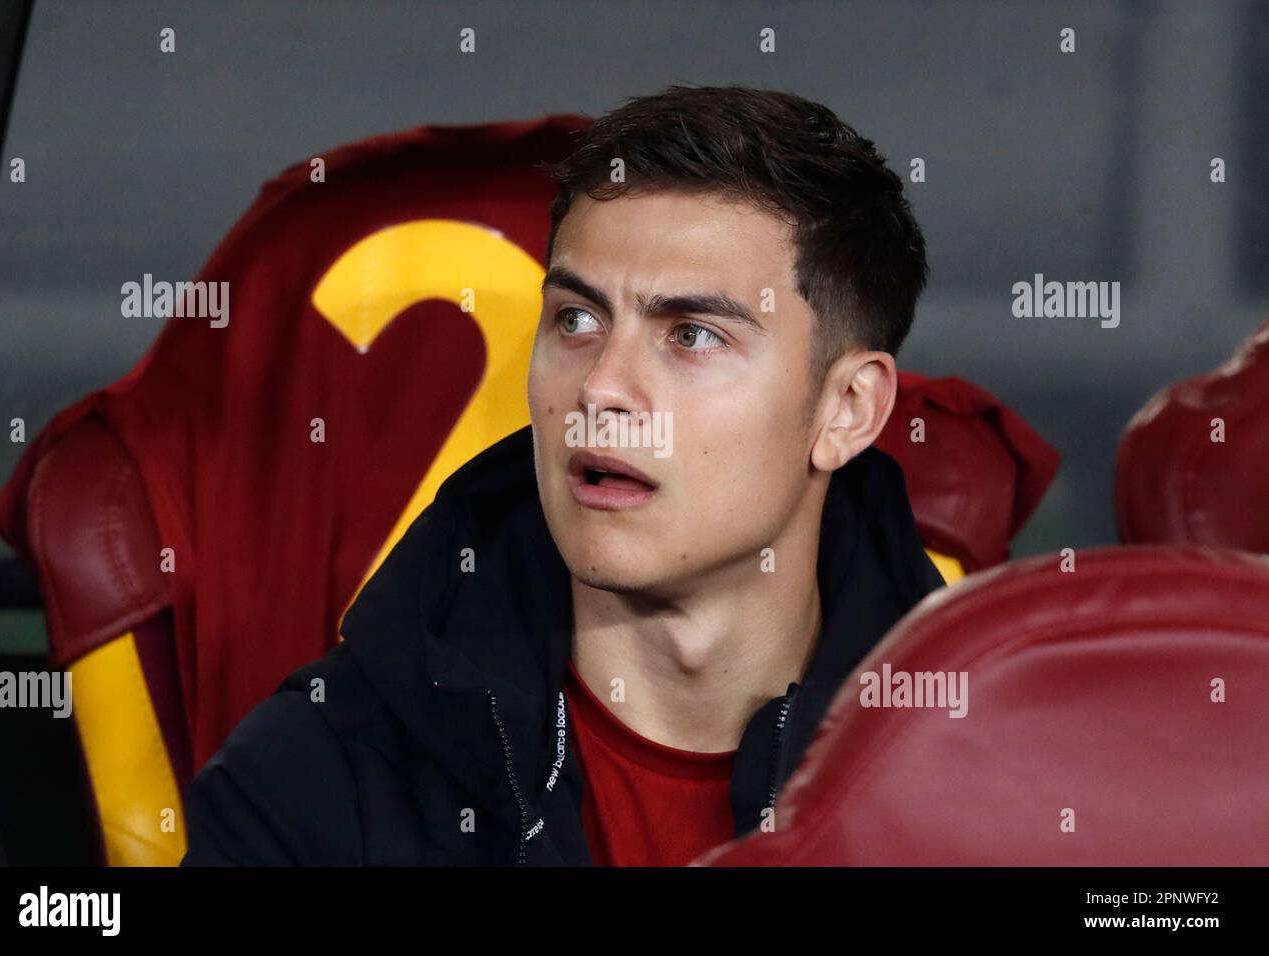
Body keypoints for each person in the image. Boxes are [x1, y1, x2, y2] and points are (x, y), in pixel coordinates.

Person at [181, 84, 941, 866]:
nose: (600, 387)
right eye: (576, 320)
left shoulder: (982, 773)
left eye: (691, 334)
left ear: (847, 409)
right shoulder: (308, 785)